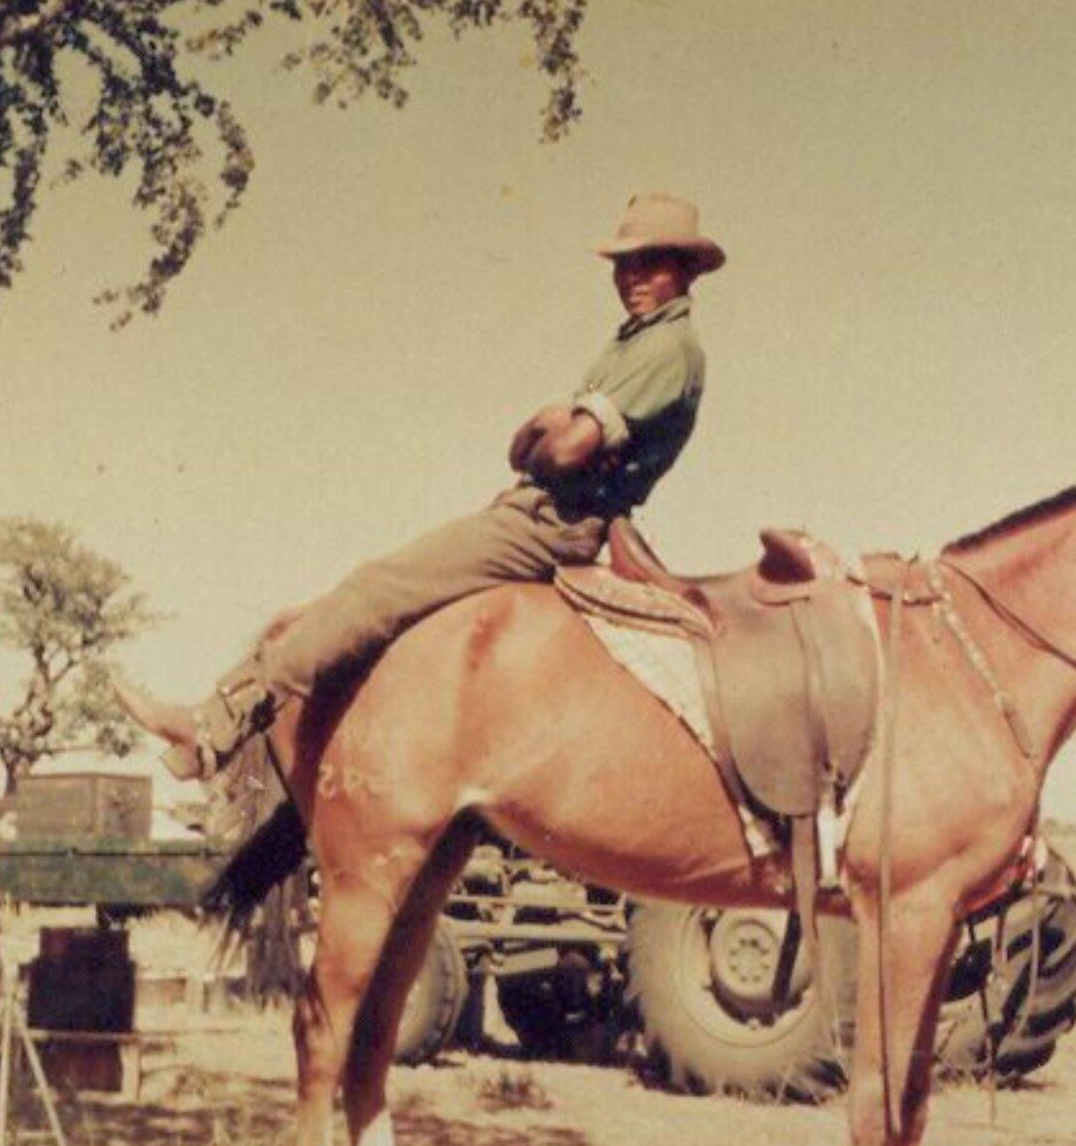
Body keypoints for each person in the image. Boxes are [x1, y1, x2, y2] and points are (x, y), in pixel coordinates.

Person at [128, 191, 725, 781]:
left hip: (552, 523)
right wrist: (543, 430)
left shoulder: (666, 348)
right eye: (623, 263)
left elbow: (564, 450)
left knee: (382, 587)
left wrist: (550, 426)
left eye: (650, 262)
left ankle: (220, 723)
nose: (631, 277)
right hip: (538, 510)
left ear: (686, 268)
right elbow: (525, 446)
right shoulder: (638, 342)